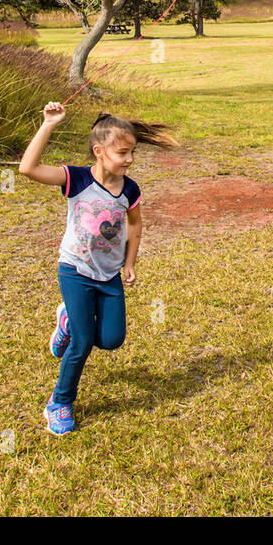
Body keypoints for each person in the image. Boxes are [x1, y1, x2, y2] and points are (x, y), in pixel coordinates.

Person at [19, 104, 177, 435]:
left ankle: (66, 321)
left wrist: (130, 261)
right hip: (75, 270)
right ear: (99, 151)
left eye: (132, 152)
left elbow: (135, 226)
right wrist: (49, 124)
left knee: (111, 339)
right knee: (84, 341)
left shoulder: (130, 189)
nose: (130, 159)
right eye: (123, 152)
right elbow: (27, 168)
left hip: (109, 276)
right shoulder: (75, 179)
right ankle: (59, 403)